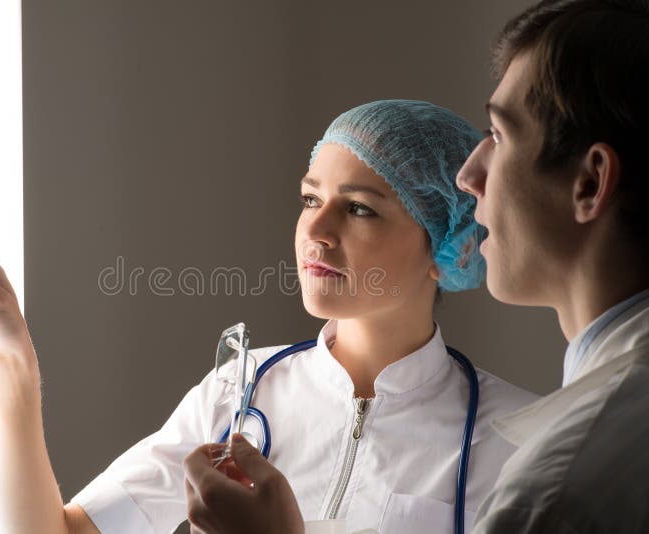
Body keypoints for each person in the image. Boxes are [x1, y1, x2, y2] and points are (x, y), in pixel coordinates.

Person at [0, 100, 537, 533]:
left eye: (358, 209)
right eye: (309, 199)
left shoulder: (513, 439)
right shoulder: (240, 391)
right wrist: (13, 366)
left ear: (449, 247)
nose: (315, 232)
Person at [184, 1, 649, 533]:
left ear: (588, 183)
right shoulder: (232, 393)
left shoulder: (558, 481)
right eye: (309, 199)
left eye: (498, 135)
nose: (470, 175)